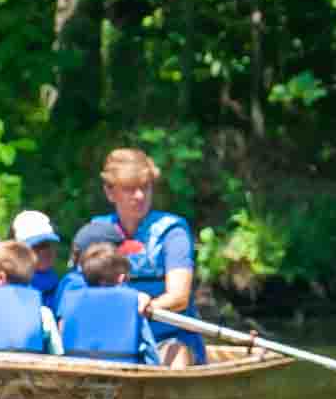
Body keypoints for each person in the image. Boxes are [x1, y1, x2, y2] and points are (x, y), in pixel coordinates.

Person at [72, 146, 198, 366]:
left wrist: (143, 306)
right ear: (110, 192)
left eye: (145, 187)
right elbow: (77, 292)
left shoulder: (172, 232)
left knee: (176, 354)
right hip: (113, 342)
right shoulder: (97, 231)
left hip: (168, 338)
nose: (140, 196)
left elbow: (179, 297)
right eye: (130, 188)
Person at [56, 239, 167, 365]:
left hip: (77, 374)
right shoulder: (133, 302)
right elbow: (149, 349)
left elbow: (62, 339)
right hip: (121, 375)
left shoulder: (70, 299)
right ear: (121, 278)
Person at [12, 209, 67, 315]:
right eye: (37, 246)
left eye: (48, 244)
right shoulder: (12, 288)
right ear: (20, 250)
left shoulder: (62, 285)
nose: (45, 251)